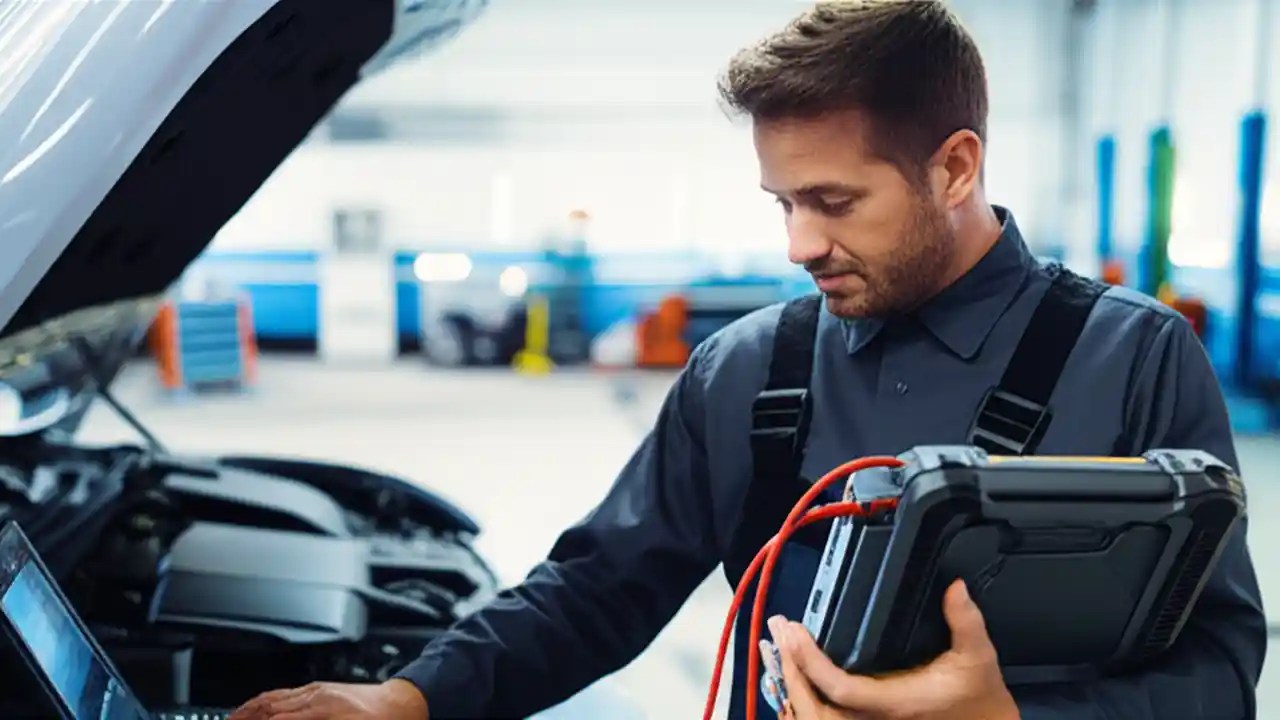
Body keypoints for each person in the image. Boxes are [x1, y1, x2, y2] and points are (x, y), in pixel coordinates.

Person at [227, 2, 1266, 719]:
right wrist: (412, 695)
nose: (795, 245)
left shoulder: (1132, 359)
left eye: (832, 201)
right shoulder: (748, 370)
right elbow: (600, 589)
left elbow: (1217, 670)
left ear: (954, 167)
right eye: (781, 201)